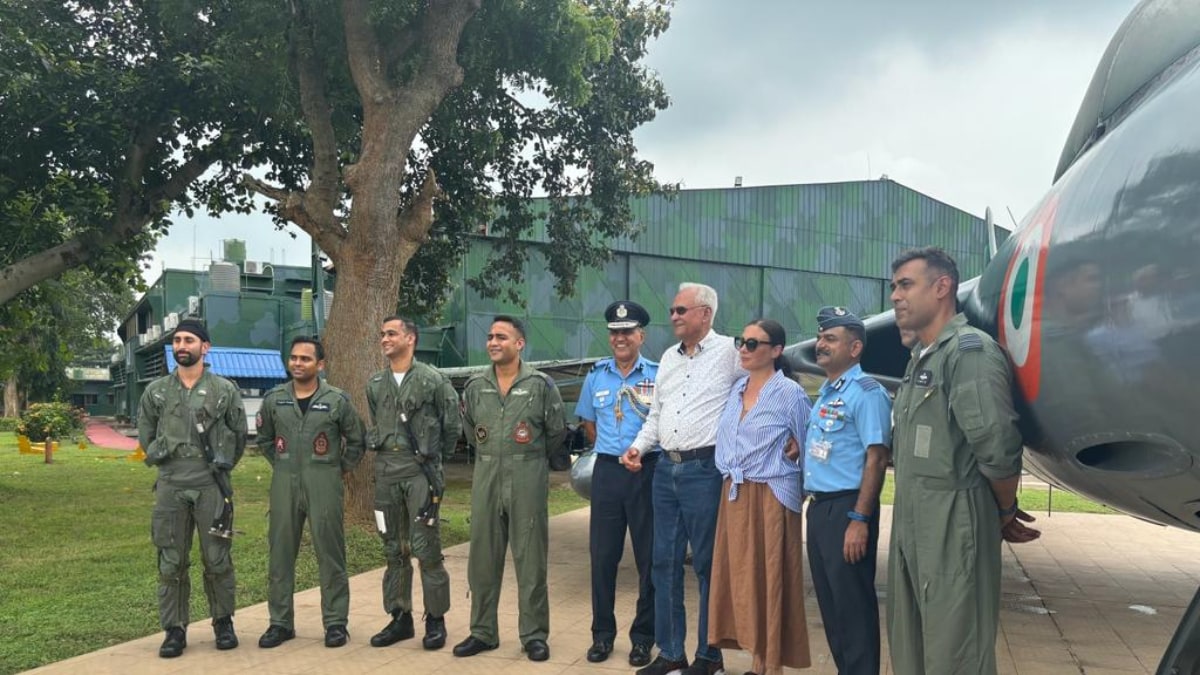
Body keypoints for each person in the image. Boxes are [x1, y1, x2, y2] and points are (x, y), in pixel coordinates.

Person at [887, 247, 1040, 675]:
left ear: (942, 287)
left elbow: (996, 445)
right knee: (912, 646)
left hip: (953, 521)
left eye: (906, 285)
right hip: (913, 519)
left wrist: (1004, 510)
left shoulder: (968, 353)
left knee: (956, 651)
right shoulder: (922, 357)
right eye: (894, 286)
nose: (895, 296)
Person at [622, 282, 744, 675]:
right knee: (664, 564)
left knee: (707, 565)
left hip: (704, 471)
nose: (673, 316)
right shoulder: (668, 358)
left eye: (681, 310)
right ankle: (672, 653)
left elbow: (762, 387)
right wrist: (638, 447)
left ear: (705, 313)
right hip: (665, 470)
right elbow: (657, 414)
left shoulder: (730, 353)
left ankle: (710, 655)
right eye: (673, 310)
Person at [455, 315, 566, 662]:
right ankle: (482, 632)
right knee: (482, 558)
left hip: (527, 474)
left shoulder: (540, 385)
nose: (493, 342)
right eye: (490, 336)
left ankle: (534, 635)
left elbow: (556, 431)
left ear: (519, 344)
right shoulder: (475, 386)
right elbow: (470, 430)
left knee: (530, 559)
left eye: (501, 337)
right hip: (486, 473)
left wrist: (527, 458)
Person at [137, 319, 247, 658]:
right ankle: (174, 629)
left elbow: (239, 434)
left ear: (205, 347)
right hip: (171, 483)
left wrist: (221, 466)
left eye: (189, 340)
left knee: (217, 558)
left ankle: (223, 622)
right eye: (178, 340)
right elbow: (146, 434)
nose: (181, 346)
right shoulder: (156, 391)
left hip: (209, 483)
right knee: (171, 560)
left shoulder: (224, 389)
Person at [708, 319, 812, 675]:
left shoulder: (790, 394)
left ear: (776, 350)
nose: (744, 349)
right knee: (741, 578)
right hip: (734, 493)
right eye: (742, 341)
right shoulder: (736, 389)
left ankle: (771, 665)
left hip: (771, 494)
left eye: (753, 343)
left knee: (771, 578)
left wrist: (799, 471)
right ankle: (756, 660)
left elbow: (809, 443)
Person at [256, 336, 366, 649]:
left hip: (324, 482)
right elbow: (265, 439)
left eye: (305, 359)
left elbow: (357, 440)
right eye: (293, 358)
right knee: (280, 554)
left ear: (320, 365)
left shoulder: (337, 400)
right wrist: (283, 464)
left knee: (330, 553)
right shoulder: (274, 399)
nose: (297, 363)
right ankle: (280, 623)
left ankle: (335, 623)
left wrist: (338, 468)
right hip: (284, 483)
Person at [805, 307, 892, 675]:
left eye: (831, 339)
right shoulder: (827, 392)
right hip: (820, 508)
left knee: (853, 608)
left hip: (847, 509)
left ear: (855, 348)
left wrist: (859, 519)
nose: (820, 344)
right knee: (832, 607)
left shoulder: (867, 393)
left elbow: (877, 457)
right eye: (820, 337)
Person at [366, 316, 462, 651]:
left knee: (427, 549)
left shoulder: (433, 380)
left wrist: (434, 462)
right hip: (386, 472)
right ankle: (399, 617)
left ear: (411, 339)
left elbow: (452, 426)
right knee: (394, 548)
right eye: (382, 334)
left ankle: (435, 619)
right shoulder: (375, 384)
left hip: (419, 472)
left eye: (392, 333)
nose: (384, 339)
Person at [575, 300, 658, 667]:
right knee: (603, 557)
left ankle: (643, 638)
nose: (620, 338)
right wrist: (613, 451)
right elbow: (589, 423)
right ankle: (602, 635)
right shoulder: (596, 376)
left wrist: (637, 452)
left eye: (627, 331)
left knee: (649, 559)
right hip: (608, 473)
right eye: (614, 332)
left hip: (647, 474)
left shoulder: (657, 375)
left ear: (641, 336)